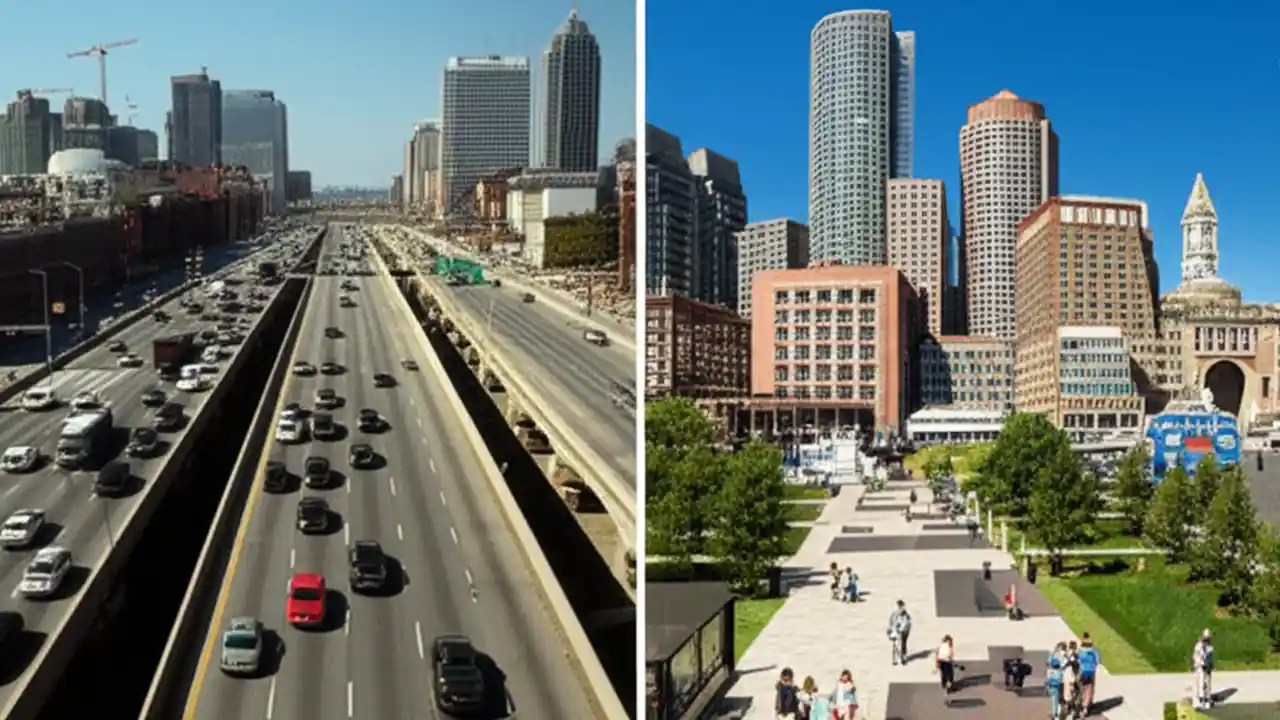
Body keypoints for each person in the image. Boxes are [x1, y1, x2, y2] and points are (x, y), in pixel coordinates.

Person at [1077, 633, 1101, 714]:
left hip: (1082, 671)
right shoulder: (1093, 652)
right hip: (1091, 671)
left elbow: (1077, 660)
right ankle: (1086, 705)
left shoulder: (1080, 652)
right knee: (1089, 688)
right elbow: (1097, 661)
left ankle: (1080, 703)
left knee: (1081, 687)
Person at [1193, 629, 1215, 710]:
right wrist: (1201, 664)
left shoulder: (1210, 647)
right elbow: (1195, 657)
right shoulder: (1198, 646)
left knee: (1208, 684)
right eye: (1206, 638)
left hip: (1207, 668)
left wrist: (1210, 665)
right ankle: (1199, 701)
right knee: (1200, 684)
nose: (1207, 640)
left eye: (1208, 638)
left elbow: (1210, 658)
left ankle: (1207, 699)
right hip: (1199, 668)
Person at [887, 600, 913, 665]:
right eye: (899, 606)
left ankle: (903, 658)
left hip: (903, 632)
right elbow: (891, 621)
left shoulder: (906, 615)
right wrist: (890, 629)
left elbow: (908, 623)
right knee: (895, 645)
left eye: (901, 606)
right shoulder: (894, 613)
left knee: (903, 644)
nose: (900, 608)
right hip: (896, 631)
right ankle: (896, 659)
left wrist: (902, 630)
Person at [935, 634, 957, 705]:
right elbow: (950, 657)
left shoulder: (941, 647)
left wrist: (937, 664)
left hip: (942, 663)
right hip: (947, 663)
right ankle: (947, 694)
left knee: (945, 677)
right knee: (949, 678)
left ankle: (945, 685)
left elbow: (937, 656)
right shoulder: (948, 648)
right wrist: (955, 664)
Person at [1045, 653, 1065, 719]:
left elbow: (1047, 681)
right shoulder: (1060, 672)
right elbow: (1061, 681)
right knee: (1056, 702)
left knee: (1053, 701)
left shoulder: (1049, 671)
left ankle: (1055, 713)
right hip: (1057, 688)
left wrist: (1046, 688)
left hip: (1051, 687)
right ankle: (1055, 714)